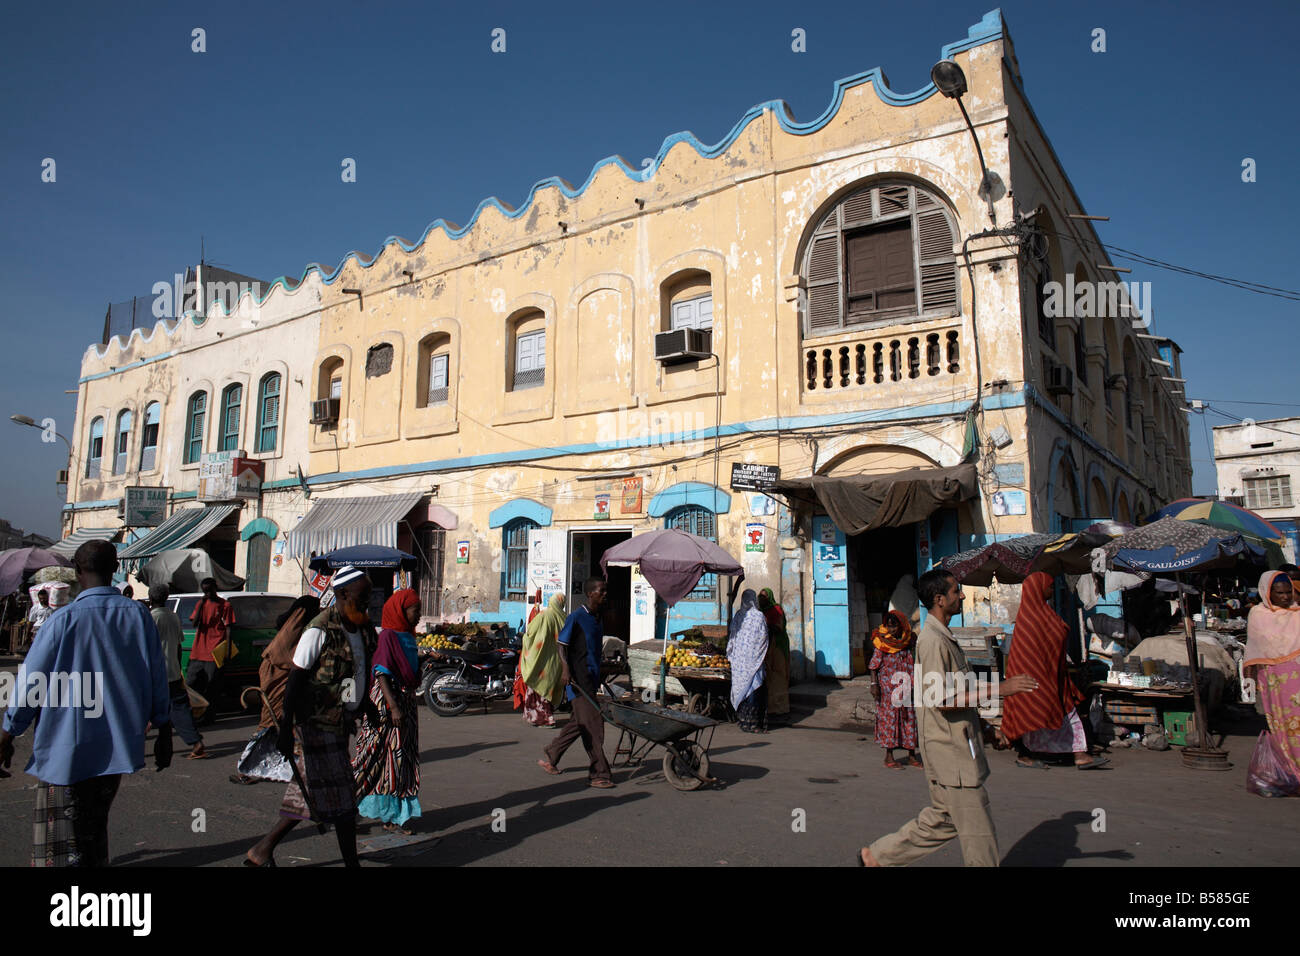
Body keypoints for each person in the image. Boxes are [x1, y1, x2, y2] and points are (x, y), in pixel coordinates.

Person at [0, 540, 172, 866]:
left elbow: (30, 686)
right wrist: (164, 727)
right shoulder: (138, 616)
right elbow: (156, 679)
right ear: (115, 569)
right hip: (114, 750)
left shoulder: (62, 621)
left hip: (66, 752)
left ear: (78, 572)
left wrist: (8, 733)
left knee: (60, 844)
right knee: (93, 831)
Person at [859, 569, 1037, 868]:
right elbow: (941, 699)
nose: (963, 596)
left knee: (944, 820)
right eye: (956, 591)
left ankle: (877, 857)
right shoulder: (932, 642)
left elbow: (959, 692)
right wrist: (1001, 689)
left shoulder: (944, 638)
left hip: (957, 746)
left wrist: (985, 729)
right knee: (979, 834)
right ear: (939, 600)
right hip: (949, 753)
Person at [245, 567, 378, 867]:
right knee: (343, 799)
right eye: (363, 595)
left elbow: (353, 674)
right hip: (315, 724)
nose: (368, 600)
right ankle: (351, 864)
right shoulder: (320, 628)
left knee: (310, 793)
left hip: (339, 723)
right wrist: (285, 726)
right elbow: (296, 679)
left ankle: (262, 850)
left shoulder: (363, 629)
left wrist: (362, 703)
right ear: (343, 594)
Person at [1002, 572, 1108, 770]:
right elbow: (1029, 654)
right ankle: (1027, 755)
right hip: (1035, 679)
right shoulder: (1031, 618)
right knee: (1033, 715)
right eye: (1049, 587)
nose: (1052, 590)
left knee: (1066, 713)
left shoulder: (1044, 613)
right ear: (1038, 589)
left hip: (1054, 676)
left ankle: (1079, 754)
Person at [353, 589, 423, 834]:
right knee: (375, 758)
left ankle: (393, 815)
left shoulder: (408, 636)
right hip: (387, 704)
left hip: (405, 704)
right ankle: (345, 804)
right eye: (416, 610)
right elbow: (382, 672)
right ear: (401, 611)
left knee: (399, 759)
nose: (419, 615)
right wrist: (393, 706)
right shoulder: (388, 637)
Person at [231, 595, 320, 786]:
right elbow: (289, 658)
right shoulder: (293, 631)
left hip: (283, 680)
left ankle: (295, 769)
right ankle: (245, 768)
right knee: (269, 723)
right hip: (277, 680)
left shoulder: (297, 627)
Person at [538, 578, 614, 788]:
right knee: (593, 725)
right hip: (577, 679)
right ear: (591, 593)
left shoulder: (598, 618)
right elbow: (562, 644)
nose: (605, 594)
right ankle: (599, 773)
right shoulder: (576, 617)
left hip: (591, 678)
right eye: (602, 591)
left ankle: (553, 753)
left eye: (606, 590)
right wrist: (565, 669)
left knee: (579, 722)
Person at [1243, 570, 1300, 796]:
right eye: (1279, 593)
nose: (1285, 597)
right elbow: (1257, 647)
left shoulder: (1297, 614)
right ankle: (1290, 770)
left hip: (1297, 675)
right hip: (1274, 679)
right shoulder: (1258, 615)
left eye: (1288, 593)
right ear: (1268, 593)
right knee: (1282, 725)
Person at [148, 583, 206, 760]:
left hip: (155, 674)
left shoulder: (151, 618)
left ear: (150, 598)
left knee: (142, 708)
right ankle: (196, 743)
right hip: (172, 671)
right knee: (180, 709)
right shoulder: (173, 617)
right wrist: (178, 668)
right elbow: (179, 646)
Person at [868, 610, 921, 769]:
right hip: (888, 689)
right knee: (889, 721)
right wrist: (874, 685)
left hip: (907, 687)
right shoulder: (882, 642)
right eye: (888, 626)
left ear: (902, 625)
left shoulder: (908, 640)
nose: (891, 630)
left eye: (894, 626)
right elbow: (873, 666)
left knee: (909, 720)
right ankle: (889, 756)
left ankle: (912, 755)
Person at [516, 592, 567, 727]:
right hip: (557, 663)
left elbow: (531, 634)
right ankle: (538, 717)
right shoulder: (564, 617)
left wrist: (525, 639)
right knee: (548, 689)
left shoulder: (544, 615)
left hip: (542, 662)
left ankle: (544, 719)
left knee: (539, 689)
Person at [186, 577, 235, 714]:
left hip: (214, 651)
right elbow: (194, 623)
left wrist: (227, 652)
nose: (206, 594)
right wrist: (201, 605)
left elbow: (229, 629)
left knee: (211, 684)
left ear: (215, 589)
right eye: (204, 591)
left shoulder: (225, 605)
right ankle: (194, 711)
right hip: (198, 651)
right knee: (191, 682)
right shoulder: (201, 604)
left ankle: (209, 714)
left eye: (209, 591)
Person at [727, 590, 769, 733]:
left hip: (739, 662)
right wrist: (758, 653)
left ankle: (743, 721)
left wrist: (732, 653)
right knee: (753, 689)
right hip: (753, 660)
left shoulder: (739, 615)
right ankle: (753, 724)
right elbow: (764, 637)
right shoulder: (759, 616)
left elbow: (732, 636)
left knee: (742, 689)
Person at [757, 588, 790, 718]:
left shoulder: (776, 609)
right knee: (769, 677)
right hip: (768, 646)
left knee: (778, 676)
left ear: (769, 597)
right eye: (760, 596)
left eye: (764, 597)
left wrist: (766, 625)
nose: (761, 599)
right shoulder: (761, 611)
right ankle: (770, 707)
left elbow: (778, 627)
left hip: (778, 646)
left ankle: (780, 707)